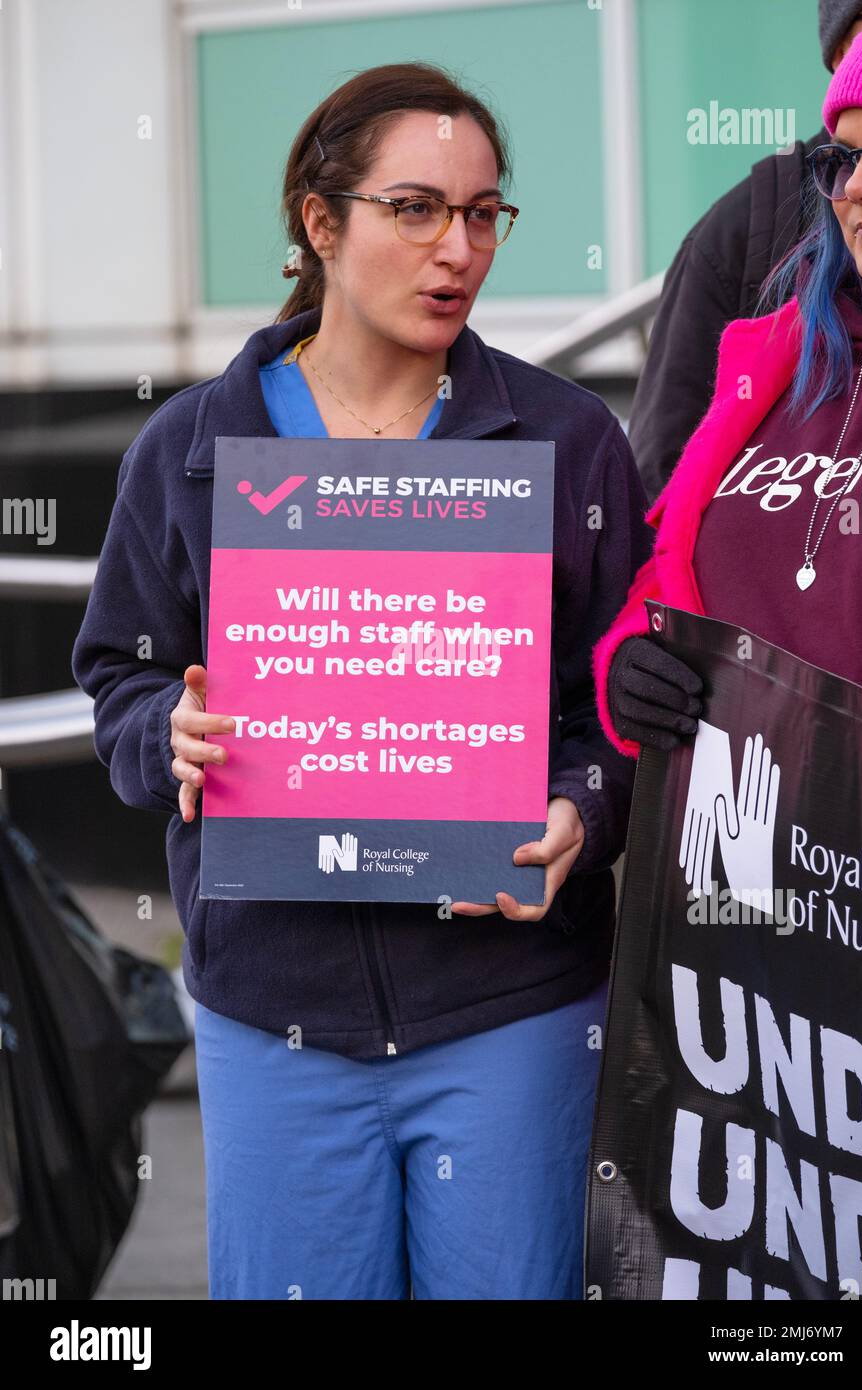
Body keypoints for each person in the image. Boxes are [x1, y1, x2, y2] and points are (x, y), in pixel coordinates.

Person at [71, 62, 653, 1300]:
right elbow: (116, 676)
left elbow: (634, 706)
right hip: (272, 1012)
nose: (458, 249)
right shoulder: (186, 448)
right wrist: (161, 733)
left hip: (509, 1012)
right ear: (318, 221)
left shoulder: (569, 442)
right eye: (415, 208)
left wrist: (583, 815)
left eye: (483, 212)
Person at [595, 7, 862, 766]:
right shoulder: (776, 358)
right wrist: (632, 662)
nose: (856, 186)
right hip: (738, 863)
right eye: (841, 159)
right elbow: (668, 560)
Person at [629, 0, 862, 504]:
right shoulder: (752, 228)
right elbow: (664, 478)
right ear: (841, 49)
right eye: (843, 162)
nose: (859, 188)